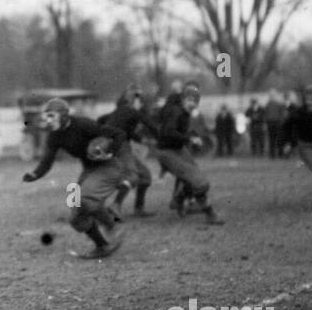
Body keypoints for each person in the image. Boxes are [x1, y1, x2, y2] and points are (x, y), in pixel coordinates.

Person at [23, 98, 127, 258]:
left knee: (85, 199)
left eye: (52, 115)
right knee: (76, 215)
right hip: (90, 169)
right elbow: (47, 160)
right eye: (47, 116)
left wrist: (110, 150)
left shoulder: (83, 124)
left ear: (64, 115)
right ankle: (102, 246)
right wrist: (35, 174)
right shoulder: (55, 136)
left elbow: (119, 134)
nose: (48, 120)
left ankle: (112, 226)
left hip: (108, 166)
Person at [154, 84, 225, 225]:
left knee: (196, 177)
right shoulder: (177, 112)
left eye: (195, 101)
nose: (192, 103)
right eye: (189, 100)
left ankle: (179, 198)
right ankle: (209, 214)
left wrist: (192, 139)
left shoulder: (184, 113)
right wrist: (189, 138)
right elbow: (169, 132)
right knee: (199, 182)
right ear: (183, 100)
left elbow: (178, 134)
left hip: (176, 148)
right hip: (167, 151)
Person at [96, 86, 156, 217]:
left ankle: (138, 209)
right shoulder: (132, 111)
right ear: (133, 100)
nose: (141, 103)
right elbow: (150, 125)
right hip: (121, 147)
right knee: (132, 176)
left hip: (112, 146)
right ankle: (115, 205)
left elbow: (101, 120)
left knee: (145, 176)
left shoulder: (118, 112)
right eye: (139, 100)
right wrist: (161, 137)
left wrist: (141, 139)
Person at [263, 90, 287, 158]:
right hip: (271, 124)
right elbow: (266, 115)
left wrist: (281, 122)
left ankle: (279, 153)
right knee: (272, 139)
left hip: (277, 123)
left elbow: (282, 114)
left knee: (278, 139)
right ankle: (273, 154)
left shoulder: (278, 104)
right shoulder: (268, 104)